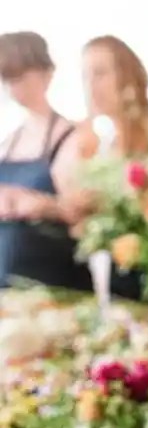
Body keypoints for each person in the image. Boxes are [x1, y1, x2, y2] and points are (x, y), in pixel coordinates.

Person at [0, 31, 93, 290]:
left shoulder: (70, 139)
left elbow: (82, 216)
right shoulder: (8, 142)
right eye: (7, 78)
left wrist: (40, 205)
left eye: (19, 77)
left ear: (46, 74)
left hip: (47, 280)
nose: (12, 87)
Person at [79, 35, 148, 300]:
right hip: (111, 280)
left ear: (127, 76)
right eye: (85, 76)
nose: (91, 86)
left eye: (100, 73)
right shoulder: (98, 148)